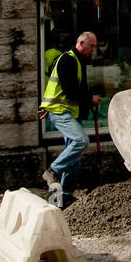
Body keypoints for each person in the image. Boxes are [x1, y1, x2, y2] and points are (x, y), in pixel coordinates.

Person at [41, 31, 103, 207]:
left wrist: (89, 99)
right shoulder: (68, 60)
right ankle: (53, 170)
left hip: (67, 111)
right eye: (92, 46)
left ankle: (62, 197)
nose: (94, 50)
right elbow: (70, 90)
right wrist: (90, 98)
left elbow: (78, 89)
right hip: (60, 111)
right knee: (80, 141)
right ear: (81, 43)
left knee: (74, 156)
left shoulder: (78, 61)